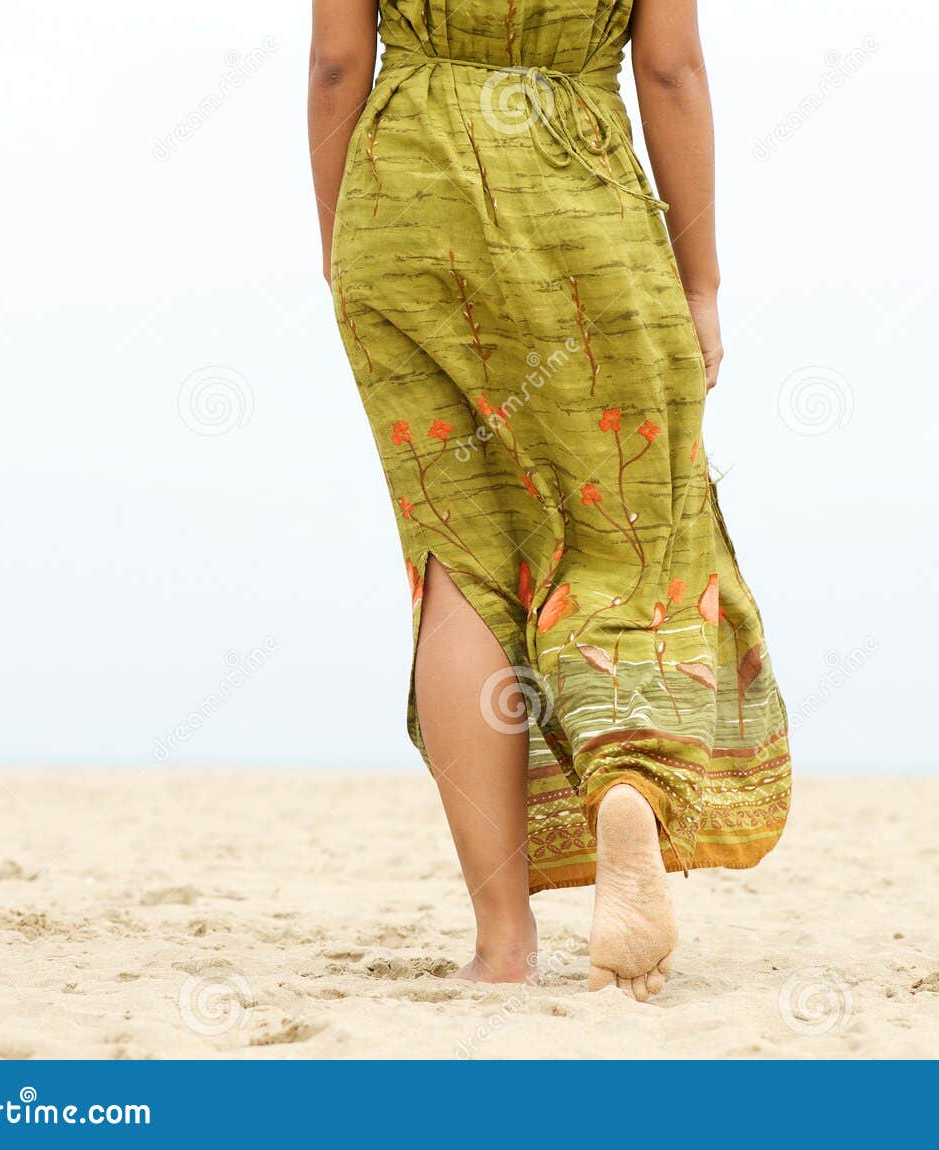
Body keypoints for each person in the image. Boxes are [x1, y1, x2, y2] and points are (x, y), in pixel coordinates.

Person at [307, 0, 790, 1001]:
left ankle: (502, 944)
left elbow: (335, 63)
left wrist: (342, 239)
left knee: (456, 555)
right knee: (627, 535)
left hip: (404, 195)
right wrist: (700, 283)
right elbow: (669, 71)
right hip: (583, 195)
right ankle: (625, 784)